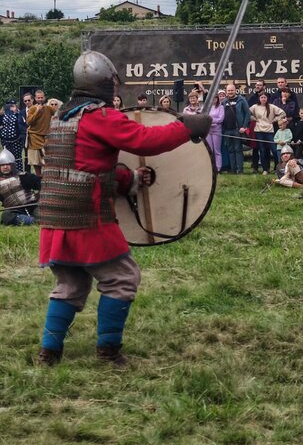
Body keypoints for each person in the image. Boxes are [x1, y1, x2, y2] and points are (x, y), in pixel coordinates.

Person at [36, 50, 211, 367]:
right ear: (105, 83)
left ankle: (48, 352)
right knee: (122, 278)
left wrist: (128, 178)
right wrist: (187, 127)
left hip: (55, 217)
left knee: (70, 284)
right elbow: (144, 140)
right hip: (87, 216)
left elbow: (86, 164)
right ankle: (108, 352)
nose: (116, 89)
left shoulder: (63, 118)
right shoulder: (99, 116)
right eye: (113, 83)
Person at [0, 148, 41, 225]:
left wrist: (39, 195)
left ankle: (38, 220)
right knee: (6, 216)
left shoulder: (23, 176)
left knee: (43, 211)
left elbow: (42, 184)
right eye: (2, 165)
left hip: (32, 206)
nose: (5, 167)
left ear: (12, 165)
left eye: (7, 164)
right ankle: (32, 221)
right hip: (14, 210)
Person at [249, 92, 284, 174]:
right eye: (262, 97)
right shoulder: (255, 106)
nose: (263, 99)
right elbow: (247, 113)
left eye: (265, 97)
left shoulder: (272, 107)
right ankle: (265, 169)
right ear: (259, 98)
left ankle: (277, 168)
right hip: (258, 131)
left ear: (267, 98)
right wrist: (253, 118)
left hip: (269, 131)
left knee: (274, 150)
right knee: (262, 150)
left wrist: (274, 120)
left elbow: (282, 113)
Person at [222, 84, 250, 173]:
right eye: (228, 91)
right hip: (227, 130)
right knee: (230, 150)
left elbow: (247, 114)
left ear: (235, 91)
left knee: (238, 150)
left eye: (232, 90)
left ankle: (240, 170)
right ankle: (233, 170)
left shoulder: (241, 99)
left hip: (237, 129)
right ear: (226, 91)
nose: (230, 92)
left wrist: (244, 127)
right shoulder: (224, 101)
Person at [26, 89, 54, 176]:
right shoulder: (32, 109)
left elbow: (57, 116)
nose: (40, 99)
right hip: (34, 138)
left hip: (46, 138)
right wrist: (37, 111)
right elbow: (29, 122)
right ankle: (39, 180)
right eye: (38, 98)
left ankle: (47, 179)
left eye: (42, 97)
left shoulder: (49, 109)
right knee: (36, 162)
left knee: (48, 161)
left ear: (44, 98)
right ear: (35, 98)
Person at [206, 92, 225, 172]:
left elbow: (221, 118)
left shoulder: (221, 107)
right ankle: (210, 166)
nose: (214, 100)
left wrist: (211, 120)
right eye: (212, 98)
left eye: (215, 98)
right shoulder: (207, 107)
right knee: (210, 149)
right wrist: (209, 121)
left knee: (217, 150)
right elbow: (205, 116)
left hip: (217, 130)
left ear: (217, 99)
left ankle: (218, 167)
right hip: (208, 130)